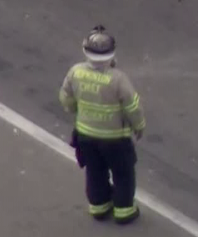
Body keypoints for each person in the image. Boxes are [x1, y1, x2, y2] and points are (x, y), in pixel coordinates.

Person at [59, 26, 147, 225]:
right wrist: (139, 126)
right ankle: (124, 210)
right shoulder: (118, 79)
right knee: (123, 173)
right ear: (112, 54)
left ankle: (99, 206)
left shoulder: (76, 72)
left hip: (86, 136)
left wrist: (74, 110)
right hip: (115, 138)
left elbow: (66, 98)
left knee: (94, 171)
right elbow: (132, 107)